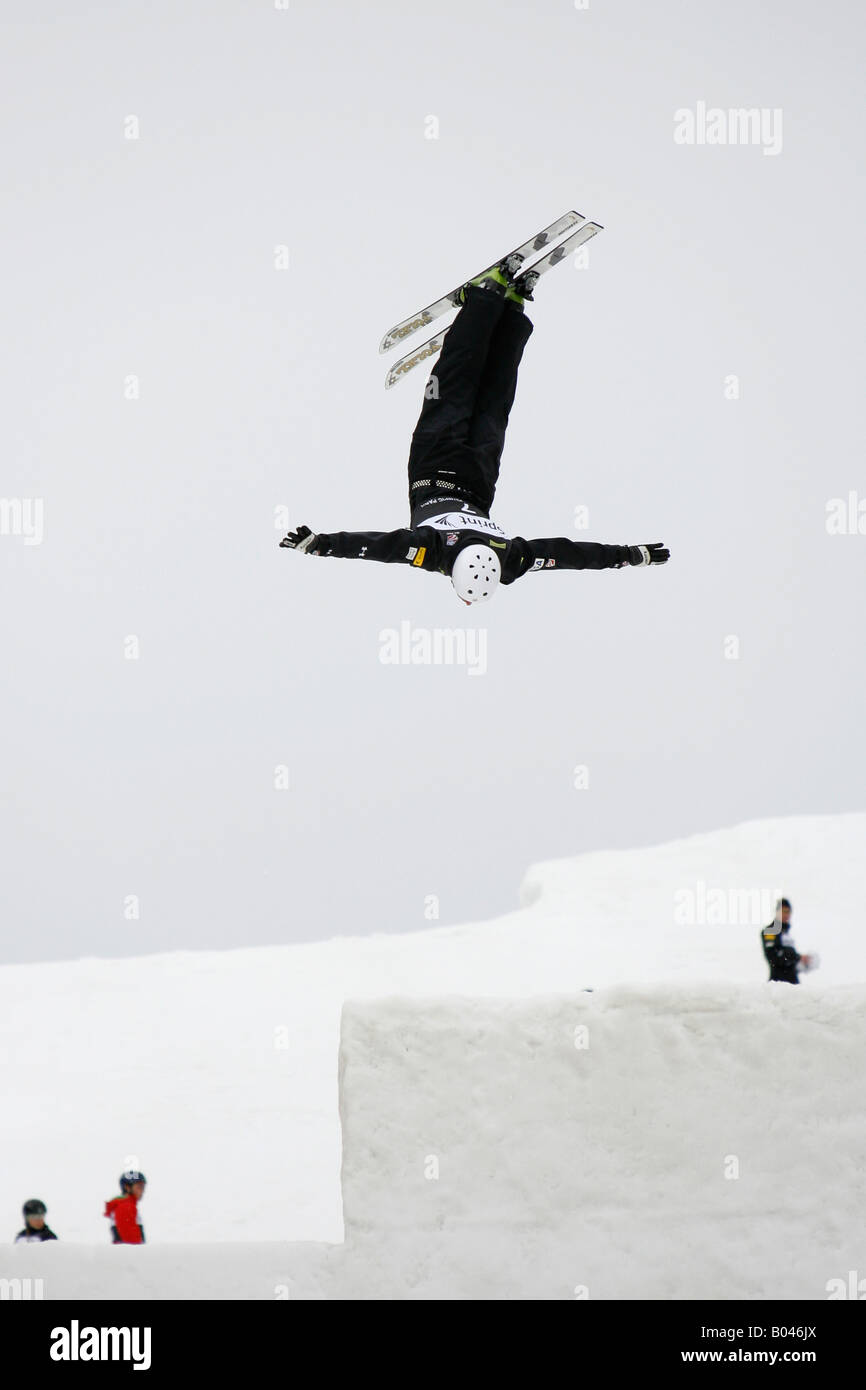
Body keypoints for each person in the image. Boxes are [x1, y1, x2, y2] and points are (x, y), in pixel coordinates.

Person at [280, 265, 670, 603]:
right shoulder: (430, 551)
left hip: (481, 472)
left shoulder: (508, 558)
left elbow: (567, 554)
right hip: (434, 465)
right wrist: (321, 544)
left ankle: (512, 309)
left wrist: (629, 555)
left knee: (493, 396)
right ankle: (484, 300)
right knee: (452, 384)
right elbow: (377, 547)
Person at [761, 898, 805, 984]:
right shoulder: (771, 931)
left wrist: (802, 961)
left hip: (792, 982)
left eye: (788, 912)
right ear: (777, 912)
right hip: (778, 983)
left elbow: (789, 958)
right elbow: (774, 957)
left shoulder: (787, 933)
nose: (786, 915)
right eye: (783, 911)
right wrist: (797, 957)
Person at [104, 1170, 146, 1244]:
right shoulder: (125, 1206)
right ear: (127, 1187)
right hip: (130, 1253)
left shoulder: (126, 1205)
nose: (142, 1191)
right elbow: (130, 1239)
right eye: (139, 1187)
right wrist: (140, 1253)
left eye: (143, 1187)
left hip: (126, 1253)